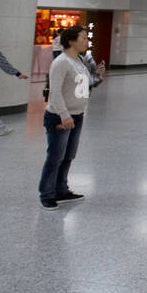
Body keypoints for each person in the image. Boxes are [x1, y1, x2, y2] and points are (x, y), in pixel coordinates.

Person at [38, 25, 91, 210]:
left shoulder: (79, 60)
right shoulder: (61, 62)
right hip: (61, 117)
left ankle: (61, 190)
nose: (87, 41)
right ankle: (47, 194)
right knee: (55, 157)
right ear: (71, 41)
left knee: (68, 156)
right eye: (83, 38)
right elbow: (55, 92)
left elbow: (82, 86)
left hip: (77, 115)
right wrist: (64, 115)